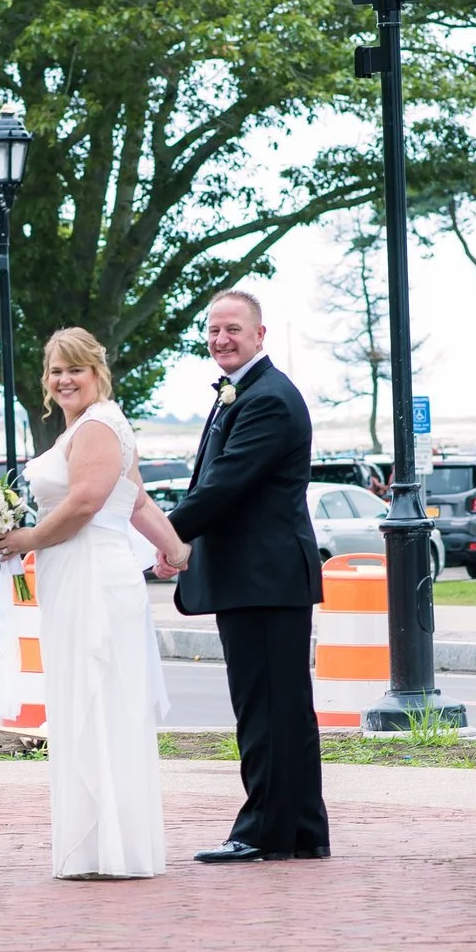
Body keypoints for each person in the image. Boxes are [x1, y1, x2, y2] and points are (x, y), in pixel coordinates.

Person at [0, 328, 180, 879]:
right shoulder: (92, 426)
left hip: (92, 573)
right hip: (79, 572)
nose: (64, 379)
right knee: (90, 699)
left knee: (99, 699)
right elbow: (137, 500)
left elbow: (84, 504)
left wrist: (26, 539)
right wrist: (174, 548)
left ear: (98, 373)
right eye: (55, 370)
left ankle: (110, 848)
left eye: (75, 369)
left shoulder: (98, 425)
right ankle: (103, 846)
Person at [162, 289, 329, 863]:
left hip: (264, 578)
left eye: (233, 329)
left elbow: (225, 484)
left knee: (267, 710)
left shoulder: (269, 399)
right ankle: (302, 830)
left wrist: (165, 537)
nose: (221, 339)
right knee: (282, 708)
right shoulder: (245, 391)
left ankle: (263, 831)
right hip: (259, 579)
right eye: (213, 330)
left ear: (260, 334)